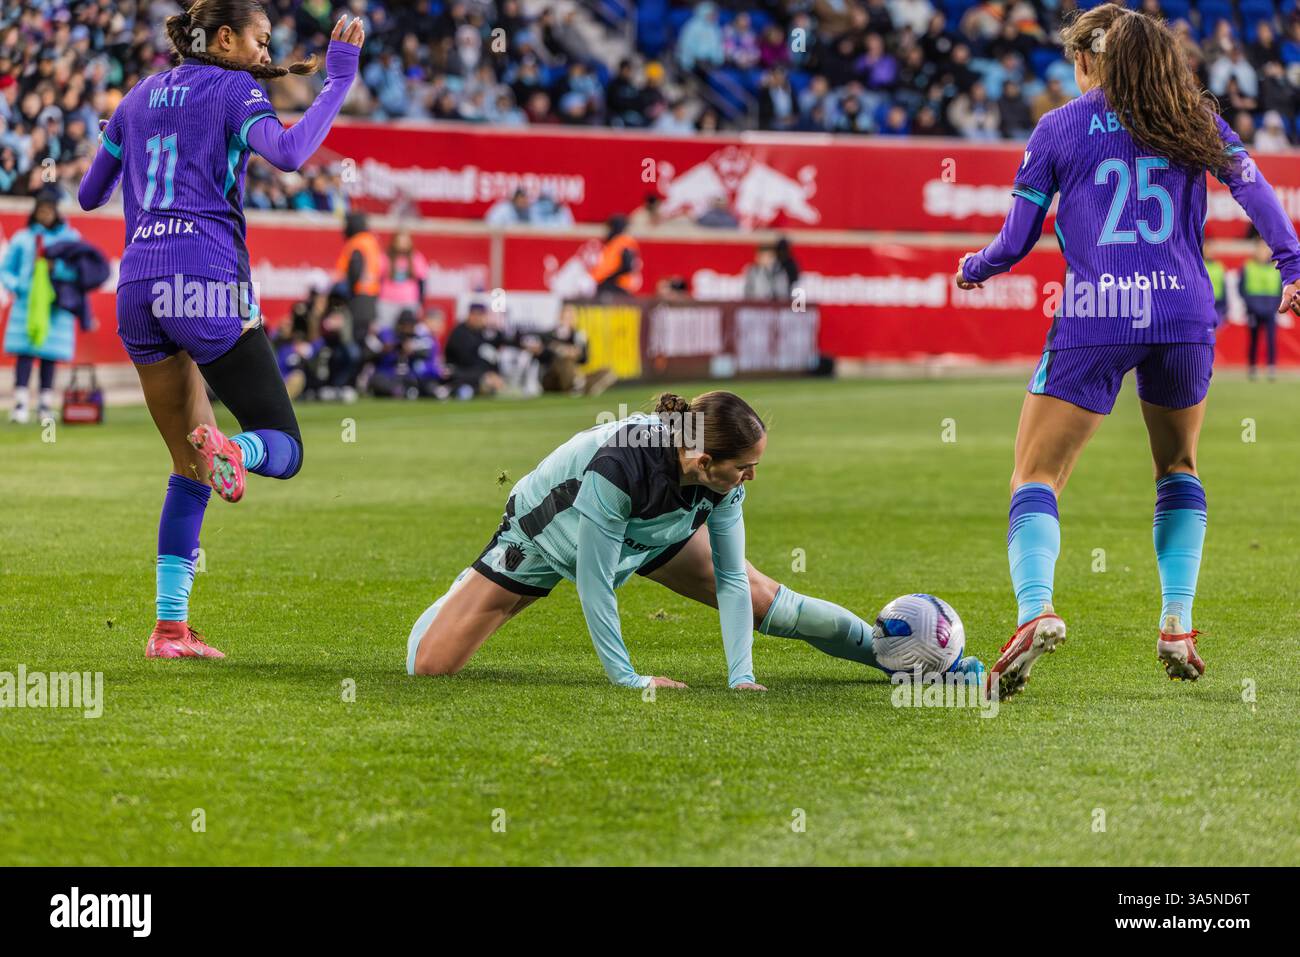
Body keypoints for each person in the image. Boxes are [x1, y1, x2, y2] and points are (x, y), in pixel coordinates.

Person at [955, 6, 1300, 698]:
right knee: (1177, 465)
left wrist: (976, 267)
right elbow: (1253, 186)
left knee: (1036, 476)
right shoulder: (1190, 116)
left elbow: (1017, 240)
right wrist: (1292, 264)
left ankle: (1036, 609)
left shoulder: (1059, 127)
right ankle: (1176, 620)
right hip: (1182, 310)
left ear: (1088, 61)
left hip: (1099, 311)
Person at [77, 2, 365, 659]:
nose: (266, 55)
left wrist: (122, 135)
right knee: (283, 444)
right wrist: (338, 84)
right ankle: (239, 451)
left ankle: (170, 629)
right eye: (261, 41)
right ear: (227, 37)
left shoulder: (137, 96)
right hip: (204, 284)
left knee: (186, 463)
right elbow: (290, 154)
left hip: (138, 291)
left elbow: (92, 195)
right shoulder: (237, 87)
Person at [405, 391, 985, 687]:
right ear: (706, 460)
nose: (752, 478)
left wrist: (742, 677)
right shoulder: (621, 466)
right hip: (545, 539)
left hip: (653, 533)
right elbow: (595, 582)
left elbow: (733, 578)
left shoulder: (718, 479)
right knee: (430, 666)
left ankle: (904, 664)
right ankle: (466, 589)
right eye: (744, 468)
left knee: (768, 600)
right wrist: (627, 679)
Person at [2, 188, 86, 424]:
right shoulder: (23, 238)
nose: (45, 214)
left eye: (49, 210)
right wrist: (18, 286)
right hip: (26, 305)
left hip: (56, 305)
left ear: (56, 212)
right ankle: (20, 404)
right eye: (41, 210)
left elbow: (80, 269)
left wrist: (57, 270)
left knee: (50, 356)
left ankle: (45, 405)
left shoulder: (70, 239)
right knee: (25, 354)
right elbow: (6, 269)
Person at [1240, 237, 1282, 379]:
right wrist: (1250, 305)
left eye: (1265, 249)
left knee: (1271, 338)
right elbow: (1242, 289)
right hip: (1254, 309)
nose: (1263, 252)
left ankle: (1271, 367)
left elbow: (1279, 290)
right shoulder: (1248, 266)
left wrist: (1275, 306)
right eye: (1260, 248)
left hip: (1270, 309)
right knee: (1254, 338)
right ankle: (1252, 367)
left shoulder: (1275, 268)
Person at [336, 211, 381, 340]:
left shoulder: (357, 243)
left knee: (356, 336)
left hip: (358, 296)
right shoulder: (370, 241)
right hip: (371, 294)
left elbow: (355, 270)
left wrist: (347, 290)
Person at [589, 214, 641, 297]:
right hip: (614, 284)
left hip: (620, 285)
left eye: (609, 228)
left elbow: (627, 266)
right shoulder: (617, 242)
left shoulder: (623, 241)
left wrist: (609, 279)